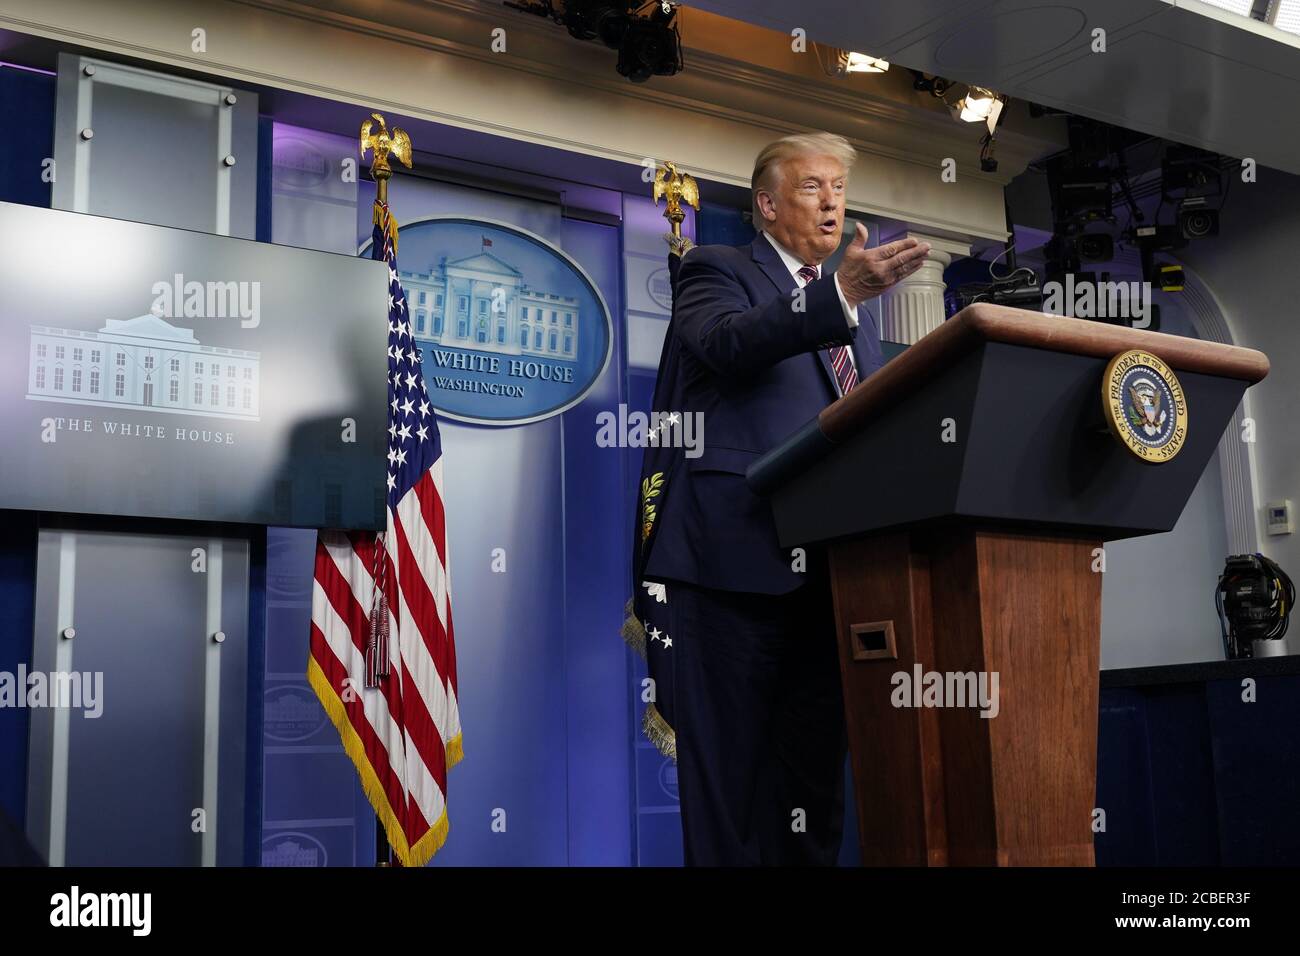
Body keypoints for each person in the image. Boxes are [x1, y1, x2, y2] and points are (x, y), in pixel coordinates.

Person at [640, 131, 930, 865]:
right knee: (730, 794)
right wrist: (839, 295)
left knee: (812, 792)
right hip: (731, 567)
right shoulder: (717, 270)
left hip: (833, 577)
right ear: (767, 205)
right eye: (811, 186)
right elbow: (730, 343)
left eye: (838, 187)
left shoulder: (853, 326)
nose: (831, 200)